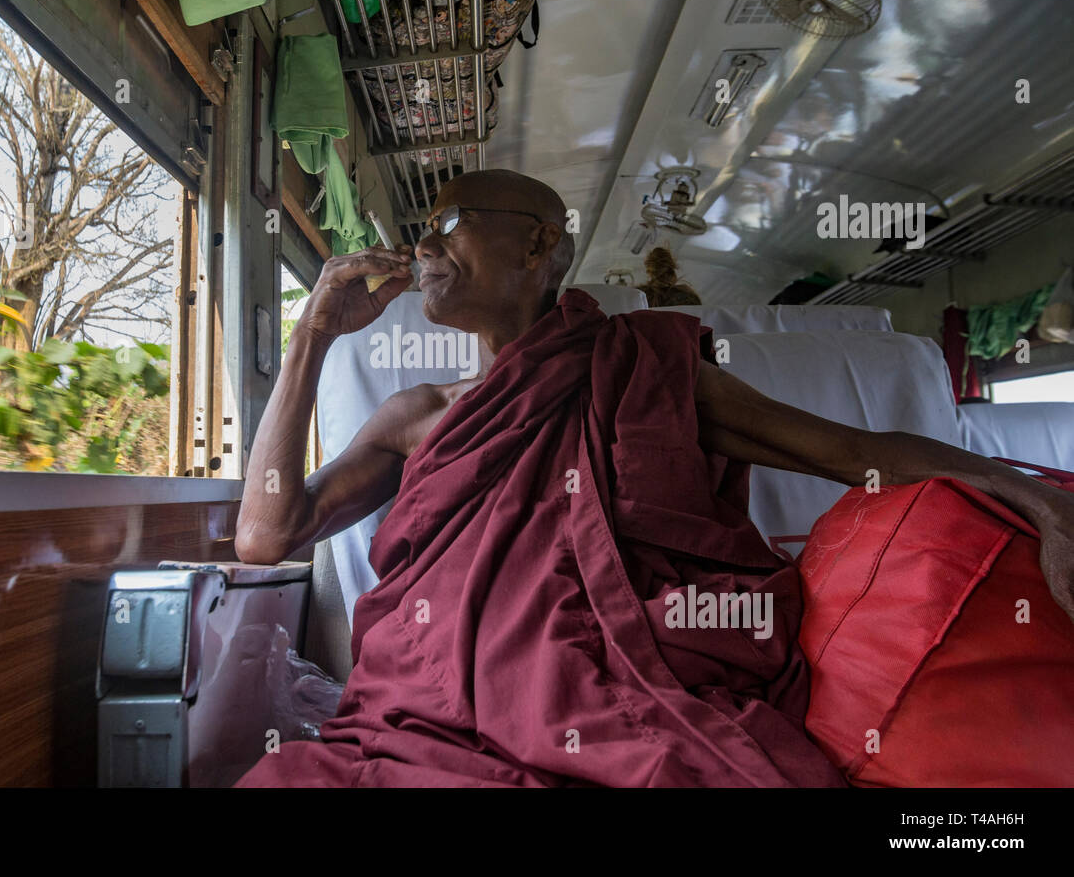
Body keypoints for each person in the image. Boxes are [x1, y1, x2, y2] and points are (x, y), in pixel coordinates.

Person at [232, 169, 1074, 787]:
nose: (423, 246)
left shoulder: (640, 365)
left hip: (621, 704)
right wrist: (313, 338)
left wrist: (1039, 497)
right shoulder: (417, 416)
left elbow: (853, 452)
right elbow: (265, 535)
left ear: (537, 243)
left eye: (449, 220)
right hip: (410, 719)